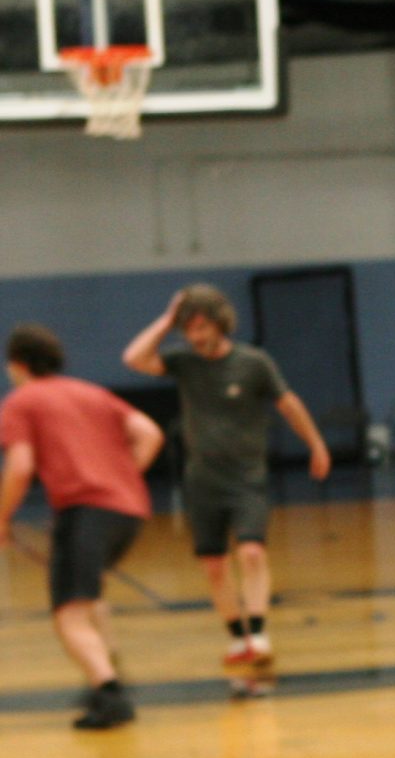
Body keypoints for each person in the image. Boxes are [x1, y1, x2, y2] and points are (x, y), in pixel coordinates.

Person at [121, 284, 332, 694]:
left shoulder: (253, 363)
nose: (195, 336)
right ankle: (238, 637)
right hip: (202, 480)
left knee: (251, 553)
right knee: (214, 565)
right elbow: (134, 358)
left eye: (202, 327)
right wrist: (167, 319)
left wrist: (316, 444)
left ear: (220, 323)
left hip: (246, 478)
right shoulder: (184, 362)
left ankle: (259, 634)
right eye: (188, 329)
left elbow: (289, 404)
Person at [0, 324, 163, 729]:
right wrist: (124, 477)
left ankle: (109, 693)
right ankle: (107, 668)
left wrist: (2, 517)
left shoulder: (22, 401)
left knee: (69, 614)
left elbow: (20, 467)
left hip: (86, 511)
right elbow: (150, 433)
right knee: (88, 595)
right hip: (130, 511)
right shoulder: (91, 392)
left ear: (17, 364)